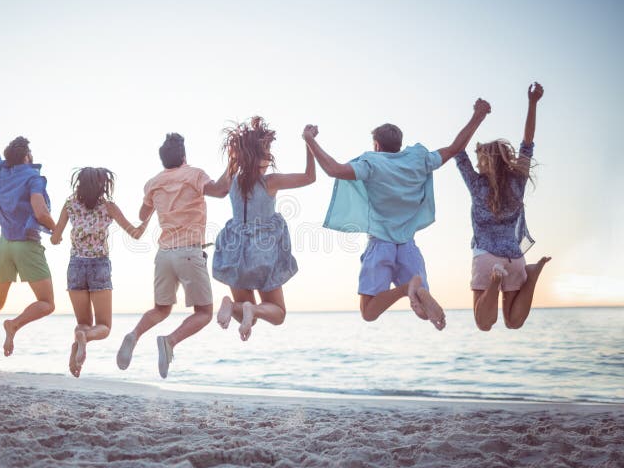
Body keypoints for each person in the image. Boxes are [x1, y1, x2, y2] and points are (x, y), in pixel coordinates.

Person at [303, 98, 492, 329]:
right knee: (423, 311)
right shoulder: (419, 159)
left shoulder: (371, 163)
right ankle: (414, 288)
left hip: (380, 244)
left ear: (376, 145)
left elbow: (333, 169)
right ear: (399, 145)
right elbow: (454, 148)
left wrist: (310, 140)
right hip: (408, 245)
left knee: (369, 312)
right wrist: (478, 116)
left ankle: (405, 289)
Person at [115, 133, 231, 378]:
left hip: (164, 255)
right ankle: (170, 341)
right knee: (203, 313)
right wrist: (233, 163)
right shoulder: (194, 174)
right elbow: (221, 190)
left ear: (163, 160)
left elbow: (142, 214)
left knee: (161, 309)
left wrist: (158, 200)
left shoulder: (153, 183)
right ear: (184, 156)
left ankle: (134, 335)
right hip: (189, 252)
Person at [455, 83, 551, 331]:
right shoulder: (518, 180)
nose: (477, 164)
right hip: (515, 258)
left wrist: (477, 116)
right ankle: (532, 275)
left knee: (484, 323)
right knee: (513, 322)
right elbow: (527, 143)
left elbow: (457, 150)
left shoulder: (476, 184)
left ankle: (495, 281)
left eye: (479, 160)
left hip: (486, 256)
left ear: (485, 161)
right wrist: (532, 103)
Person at [0, 102, 57, 356]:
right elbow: (40, 211)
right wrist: (57, 229)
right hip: (27, 244)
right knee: (47, 303)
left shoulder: (1, 172)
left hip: (4, 244)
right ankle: (13, 325)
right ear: (27, 157)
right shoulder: (33, 178)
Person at [213, 117, 317, 341]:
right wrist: (309, 142)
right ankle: (251, 309)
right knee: (278, 313)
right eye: (266, 152)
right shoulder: (271, 181)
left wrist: (234, 161)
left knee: (246, 316)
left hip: (233, 250)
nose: (269, 157)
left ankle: (232, 305)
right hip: (262, 251)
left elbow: (216, 189)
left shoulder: (231, 179)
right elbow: (310, 177)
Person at [51, 167, 149, 377]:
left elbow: (55, 238)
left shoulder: (69, 205)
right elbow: (135, 234)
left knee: (83, 323)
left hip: (75, 266)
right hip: (99, 266)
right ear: (102, 186)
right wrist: (148, 218)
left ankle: (80, 338)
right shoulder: (108, 207)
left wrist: (58, 237)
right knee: (103, 326)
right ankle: (84, 338)